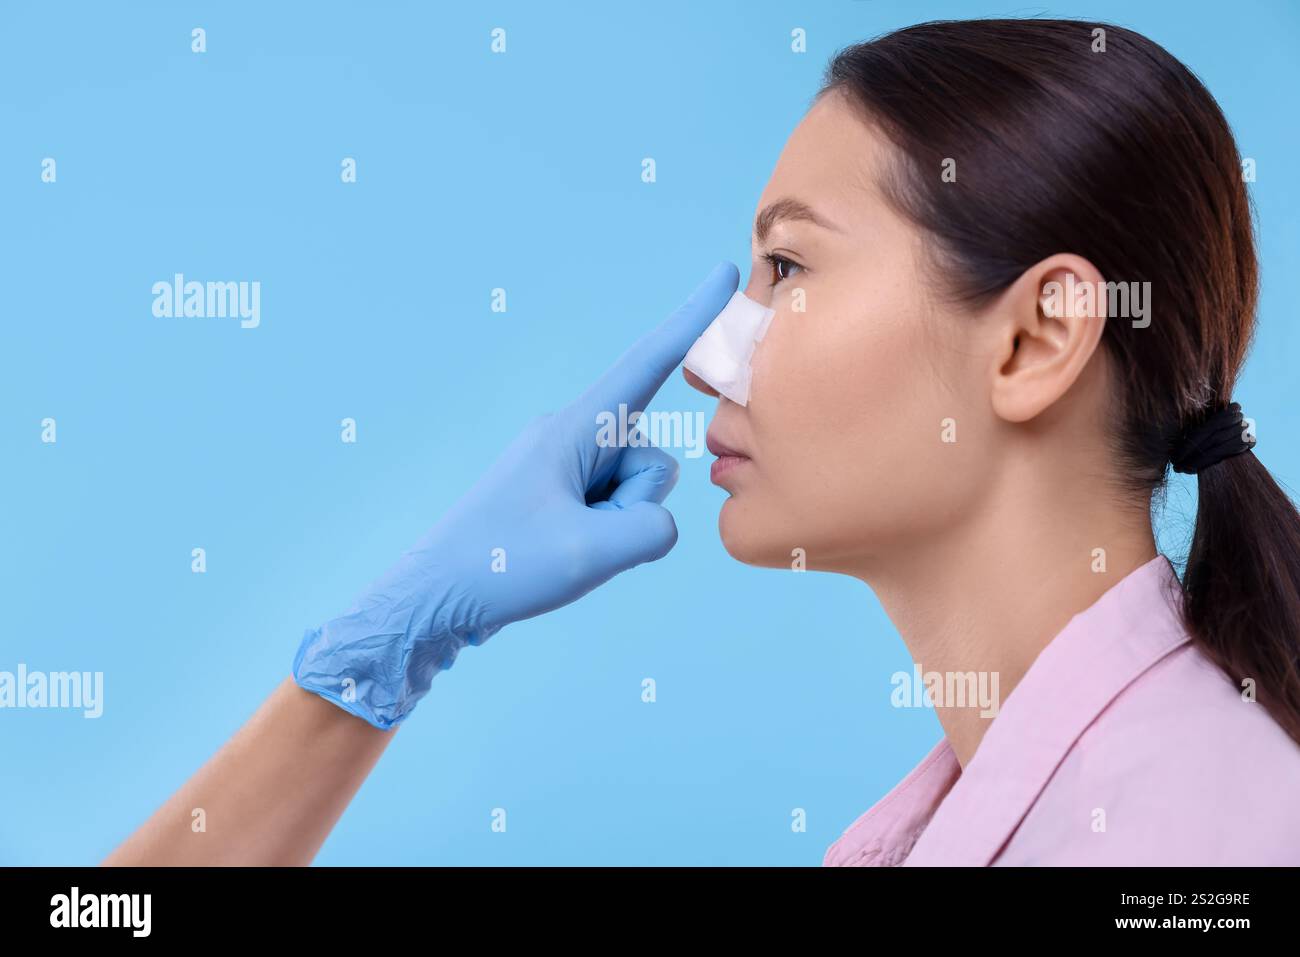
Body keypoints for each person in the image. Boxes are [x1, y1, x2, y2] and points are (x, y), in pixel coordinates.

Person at [104, 18, 1300, 867]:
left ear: (1035, 341)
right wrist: (370, 668)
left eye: (788, 267)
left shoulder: (1191, 839)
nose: (707, 359)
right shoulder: (1008, 808)